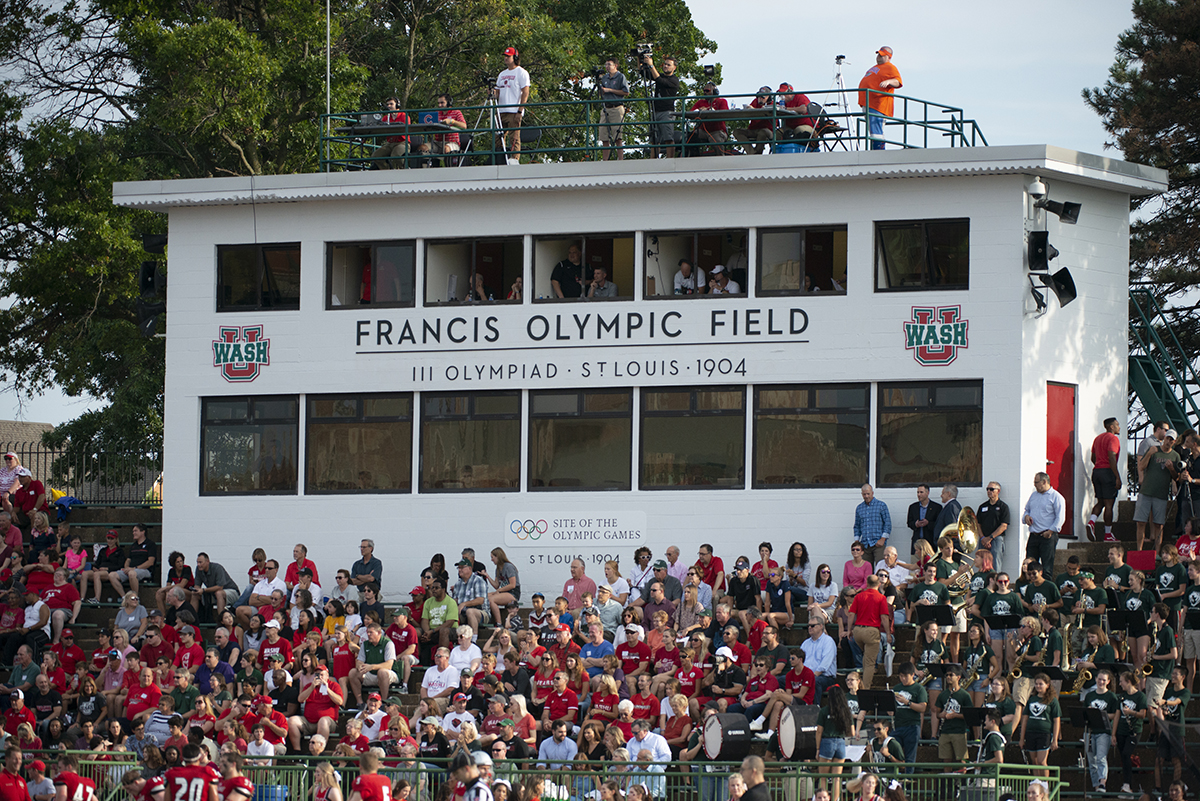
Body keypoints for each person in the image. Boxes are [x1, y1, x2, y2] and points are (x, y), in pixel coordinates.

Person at [1136, 428, 1180, 552]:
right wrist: (1149, 453)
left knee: (1158, 524)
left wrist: (1171, 468)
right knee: (1140, 522)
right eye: (1167, 438)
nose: (1168, 442)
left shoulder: (1175, 456)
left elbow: (1176, 477)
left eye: (1171, 440)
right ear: (1164, 438)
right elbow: (1141, 466)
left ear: (1174, 442)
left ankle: (1157, 552)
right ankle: (1139, 550)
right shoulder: (1154, 450)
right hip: (1146, 491)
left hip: (1161, 494)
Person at [848, 574, 892, 690]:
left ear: (867, 584)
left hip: (857, 630)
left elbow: (851, 614)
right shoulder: (881, 597)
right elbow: (884, 617)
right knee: (869, 664)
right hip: (871, 631)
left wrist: (849, 630)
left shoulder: (859, 596)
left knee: (866, 657)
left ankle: (860, 683)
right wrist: (888, 633)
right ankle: (865, 689)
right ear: (879, 584)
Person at [857, 46, 902, 150]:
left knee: (876, 127)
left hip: (878, 104)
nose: (878, 57)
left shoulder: (890, 67)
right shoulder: (874, 67)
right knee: (872, 128)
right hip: (868, 102)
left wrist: (889, 81)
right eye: (878, 55)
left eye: (881, 56)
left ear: (888, 57)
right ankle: (875, 149)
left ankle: (878, 150)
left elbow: (898, 81)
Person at [1022, 473, 1066, 576]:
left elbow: (1060, 517)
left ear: (1044, 482)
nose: (1035, 485)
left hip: (1047, 535)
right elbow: (1026, 510)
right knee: (1030, 565)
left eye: (1036, 482)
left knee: (1046, 567)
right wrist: (1026, 517)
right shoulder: (1034, 495)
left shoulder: (1056, 497)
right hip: (1034, 534)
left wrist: (1051, 531)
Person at [1087, 418, 1122, 542]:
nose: (1119, 427)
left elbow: (1093, 457)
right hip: (1108, 472)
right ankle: (1108, 534)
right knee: (1109, 504)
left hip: (1097, 471)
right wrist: (1117, 476)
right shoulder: (1113, 439)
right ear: (1111, 427)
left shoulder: (1097, 439)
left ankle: (1092, 521)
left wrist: (1099, 465)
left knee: (1100, 501)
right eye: (1117, 425)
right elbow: (1112, 456)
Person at [815, 684, 853, 801]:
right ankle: (836, 799)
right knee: (837, 778)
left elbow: (819, 731)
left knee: (823, 777)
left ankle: (822, 799)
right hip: (841, 742)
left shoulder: (824, 711)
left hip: (827, 742)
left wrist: (817, 749)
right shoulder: (847, 712)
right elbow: (851, 732)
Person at [494, 46, 530, 166]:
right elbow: (497, 92)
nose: (506, 58)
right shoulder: (502, 74)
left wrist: (520, 111)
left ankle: (514, 160)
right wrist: (492, 92)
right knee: (498, 137)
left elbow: (525, 92)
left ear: (515, 57)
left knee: (514, 137)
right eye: (505, 56)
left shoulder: (521, 72)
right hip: (501, 110)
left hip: (514, 110)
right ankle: (500, 159)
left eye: (508, 56)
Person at [644, 54, 679, 158]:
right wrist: (640, 59)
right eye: (665, 64)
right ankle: (653, 161)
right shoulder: (660, 75)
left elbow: (660, 80)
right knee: (654, 139)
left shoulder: (674, 80)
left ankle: (670, 160)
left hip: (667, 112)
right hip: (656, 111)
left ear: (674, 68)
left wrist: (651, 65)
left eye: (669, 65)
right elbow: (644, 74)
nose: (665, 66)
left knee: (668, 138)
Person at [596, 58, 629, 161]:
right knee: (604, 136)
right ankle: (605, 160)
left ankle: (620, 159)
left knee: (618, 136)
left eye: (609, 64)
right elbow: (600, 93)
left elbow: (626, 92)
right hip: (606, 107)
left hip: (616, 107)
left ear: (615, 65)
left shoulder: (620, 77)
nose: (607, 66)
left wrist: (610, 90)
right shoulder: (604, 78)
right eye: (606, 64)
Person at [686, 82, 729, 155]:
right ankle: (694, 158)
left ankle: (721, 160)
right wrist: (699, 110)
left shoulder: (722, 101)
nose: (705, 93)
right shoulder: (700, 102)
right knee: (690, 137)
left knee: (716, 142)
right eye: (704, 91)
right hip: (703, 130)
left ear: (715, 92)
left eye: (707, 91)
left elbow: (724, 114)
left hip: (717, 131)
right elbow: (691, 112)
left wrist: (709, 110)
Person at [731, 87, 777, 155]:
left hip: (767, 130)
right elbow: (750, 112)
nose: (760, 98)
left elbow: (767, 114)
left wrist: (755, 110)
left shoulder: (772, 104)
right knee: (737, 132)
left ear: (768, 98)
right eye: (759, 96)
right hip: (753, 129)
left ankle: (758, 153)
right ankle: (752, 153)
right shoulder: (755, 101)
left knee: (763, 132)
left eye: (762, 97)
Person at [853, 485, 891, 566]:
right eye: (864, 494)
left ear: (872, 493)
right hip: (865, 545)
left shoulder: (881, 505)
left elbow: (887, 523)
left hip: (878, 544)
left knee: (880, 568)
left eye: (868, 494)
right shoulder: (859, 508)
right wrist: (857, 542)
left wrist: (883, 539)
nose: (866, 496)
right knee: (866, 569)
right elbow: (857, 526)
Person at [801, 619, 837, 704]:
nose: (810, 627)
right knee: (782, 680)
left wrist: (810, 677)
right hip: (806, 676)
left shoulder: (828, 641)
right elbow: (799, 660)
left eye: (812, 625)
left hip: (825, 677)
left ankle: (815, 709)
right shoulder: (805, 643)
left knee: (815, 681)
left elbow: (824, 665)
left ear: (821, 626)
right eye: (808, 626)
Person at [370, 97, 409, 169]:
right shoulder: (385, 118)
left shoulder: (404, 115)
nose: (389, 106)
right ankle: (387, 171)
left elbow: (405, 129)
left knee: (396, 156)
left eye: (391, 104)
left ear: (397, 105)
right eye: (388, 104)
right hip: (389, 143)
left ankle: (404, 169)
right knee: (376, 156)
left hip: (402, 142)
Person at [906, 485, 942, 556]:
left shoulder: (936, 507)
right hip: (917, 543)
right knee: (915, 565)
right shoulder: (913, 507)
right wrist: (916, 524)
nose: (919, 494)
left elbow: (939, 525)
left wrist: (928, 523)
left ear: (927, 492)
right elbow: (909, 523)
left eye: (921, 492)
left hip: (930, 543)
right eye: (918, 492)